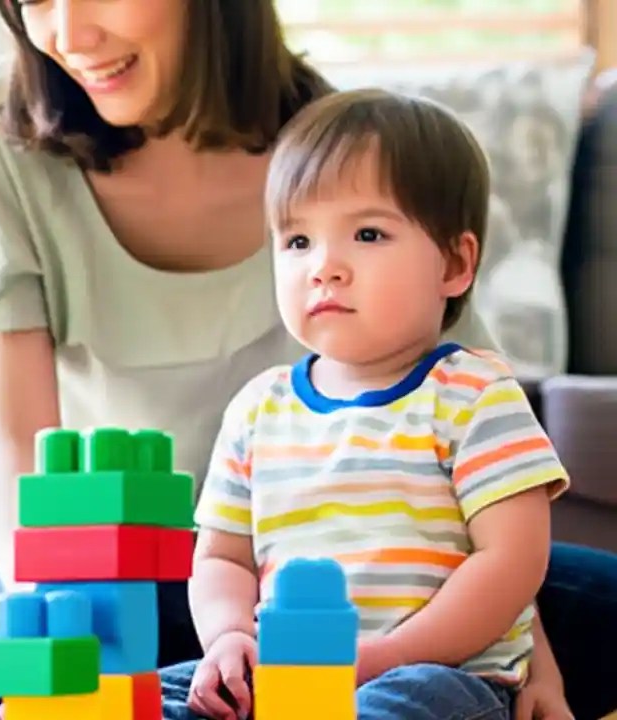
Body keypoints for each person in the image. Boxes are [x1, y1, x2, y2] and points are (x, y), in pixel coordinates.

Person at [0, 1, 616, 718]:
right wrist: (201, 636)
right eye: (296, 243)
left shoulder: (348, 148)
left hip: (409, 617)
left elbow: (504, 543)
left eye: (366, 236)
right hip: (168, 580)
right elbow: (24, 450)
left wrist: (532, 657)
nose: (70, 35)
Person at [174, 86, 567, 720]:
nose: (324, 267)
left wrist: (387, 655)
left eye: (367, 233)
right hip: (284, 675)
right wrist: (227, 639)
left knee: (402, 703)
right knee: (146, 693)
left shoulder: (474, 394)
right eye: (298, 241)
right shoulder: (257, 409)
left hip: (436, 673)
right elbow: (222, 556)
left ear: (454, 264)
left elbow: (512, 562)